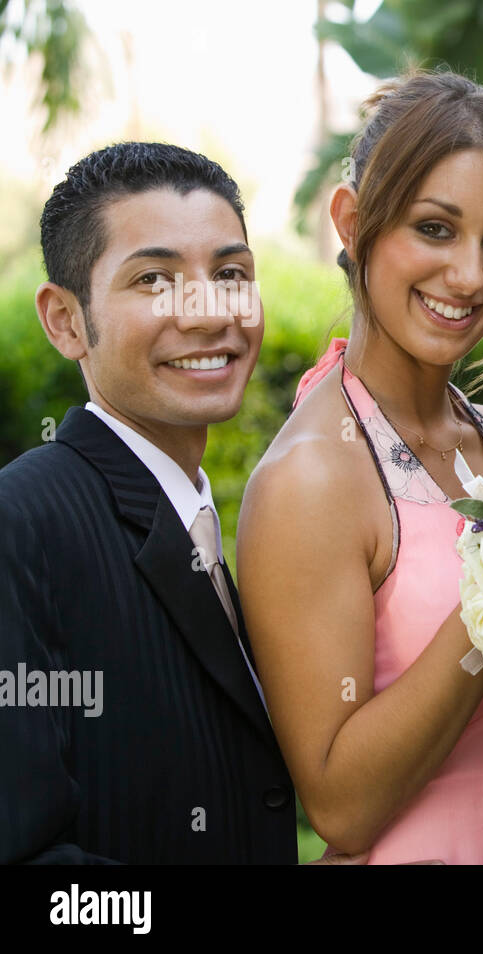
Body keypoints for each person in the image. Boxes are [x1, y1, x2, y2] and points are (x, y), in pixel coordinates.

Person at [237, 71, 483, 865]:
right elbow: (341, 807)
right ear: (353, 223)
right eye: (434, 228)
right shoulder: (312, 481)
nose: (469, 276)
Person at [0, 142, 295, 863]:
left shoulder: (210, 523)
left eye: (230, 274)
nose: (206, 314)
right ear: (66, 321)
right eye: (155, 280)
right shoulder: (22, 524)